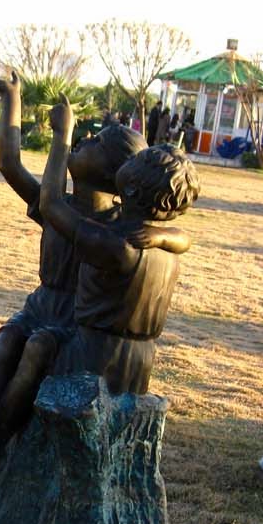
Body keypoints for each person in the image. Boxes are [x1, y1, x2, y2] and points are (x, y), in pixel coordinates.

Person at [0, 65, 145, 474]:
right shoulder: (61, 207)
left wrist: (62, 136)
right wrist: (11, 98)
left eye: (96, 143)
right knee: (6, 343)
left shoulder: (107, 227)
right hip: (41, 305)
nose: (85, 141)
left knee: (35, 350)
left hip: (75, 322)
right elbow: (9, 163)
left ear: (112, 173)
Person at [40, 97, 201, 395]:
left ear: (128, 187)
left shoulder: (114, 244)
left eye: (135, 161)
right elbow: (184, 239)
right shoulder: (164, 249)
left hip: (93, 358)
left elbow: (50, 204)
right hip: (139, 363)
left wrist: (62, 134)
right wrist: (165, 235)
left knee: (37, 347)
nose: (130, 159)